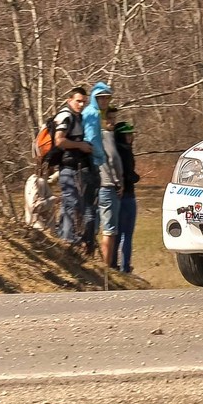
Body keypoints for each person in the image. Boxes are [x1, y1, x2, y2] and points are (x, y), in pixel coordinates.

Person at [53, 87, 93, 254]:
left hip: (77, 168)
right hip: (68, 168)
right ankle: (67, 240)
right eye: (78, 101)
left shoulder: (78, 117)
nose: (81, 104)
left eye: (84, 102)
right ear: (69, 100)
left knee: (71, 203)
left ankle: (63, 236)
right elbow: (59, 141)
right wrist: (80, 145)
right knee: (71, 203)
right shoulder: (66, 116)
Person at [80, 82, 113, 256]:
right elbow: (92, 139)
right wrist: (102, 156)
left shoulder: (92, 113)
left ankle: (86, 244)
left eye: (107, 98)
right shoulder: (92, 114)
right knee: (90, 208)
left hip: (89, 163)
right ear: (95, 98)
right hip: (90, 164)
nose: (105, 101)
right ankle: (88, 246)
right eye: (101, 98)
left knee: (89, 207)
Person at [95, 108, 123, 268]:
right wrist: (119, 181)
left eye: (114, 118)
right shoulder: (105, 136)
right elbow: (113, 160)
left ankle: (94, 263)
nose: (112, 121)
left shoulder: (96, 136)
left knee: (95, 227)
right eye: (109, 119)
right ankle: (106, 268)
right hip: (108, 186)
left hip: (98, 186)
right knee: (109, 231)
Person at [112, 120, 139, 273]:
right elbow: (127, 173)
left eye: (130, 135)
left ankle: (116, 265)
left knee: (120, 234)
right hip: (125, 197)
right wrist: (134, 177)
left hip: (126, 195)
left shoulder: (117, 150)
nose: (129, 137)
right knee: (125, 235)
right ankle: (124, 267)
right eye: (126, 135)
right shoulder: (124, 152)